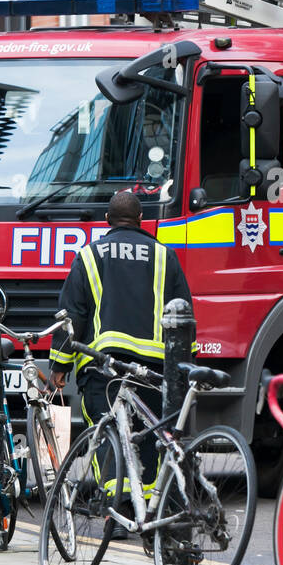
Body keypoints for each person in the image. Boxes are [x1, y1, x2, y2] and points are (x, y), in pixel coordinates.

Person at [50, 191, 193, 530]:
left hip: (104, 366)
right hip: (155, 368)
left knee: (108, 436)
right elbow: (184, 313)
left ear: (107, 221)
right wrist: (184, 369)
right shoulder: (165, 256)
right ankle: (143, 511)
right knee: (148, 438)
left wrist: (59, 366)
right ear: (141, 220)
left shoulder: (88, 256)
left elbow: (74, 315)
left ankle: (116, 514)